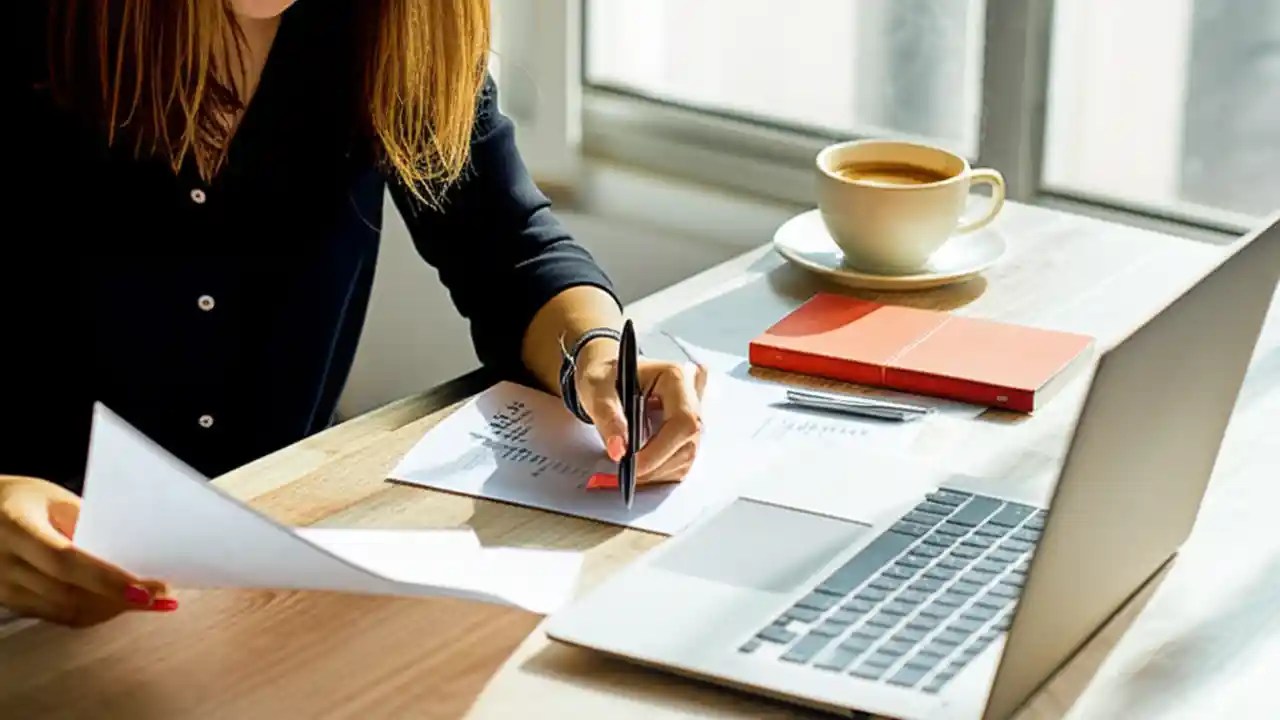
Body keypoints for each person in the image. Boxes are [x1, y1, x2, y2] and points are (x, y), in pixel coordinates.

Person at [1, 0, 706, 627]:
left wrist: (597, 354)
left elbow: (508, 247)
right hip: (33, 599)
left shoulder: (385, 22)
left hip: (267, 566)